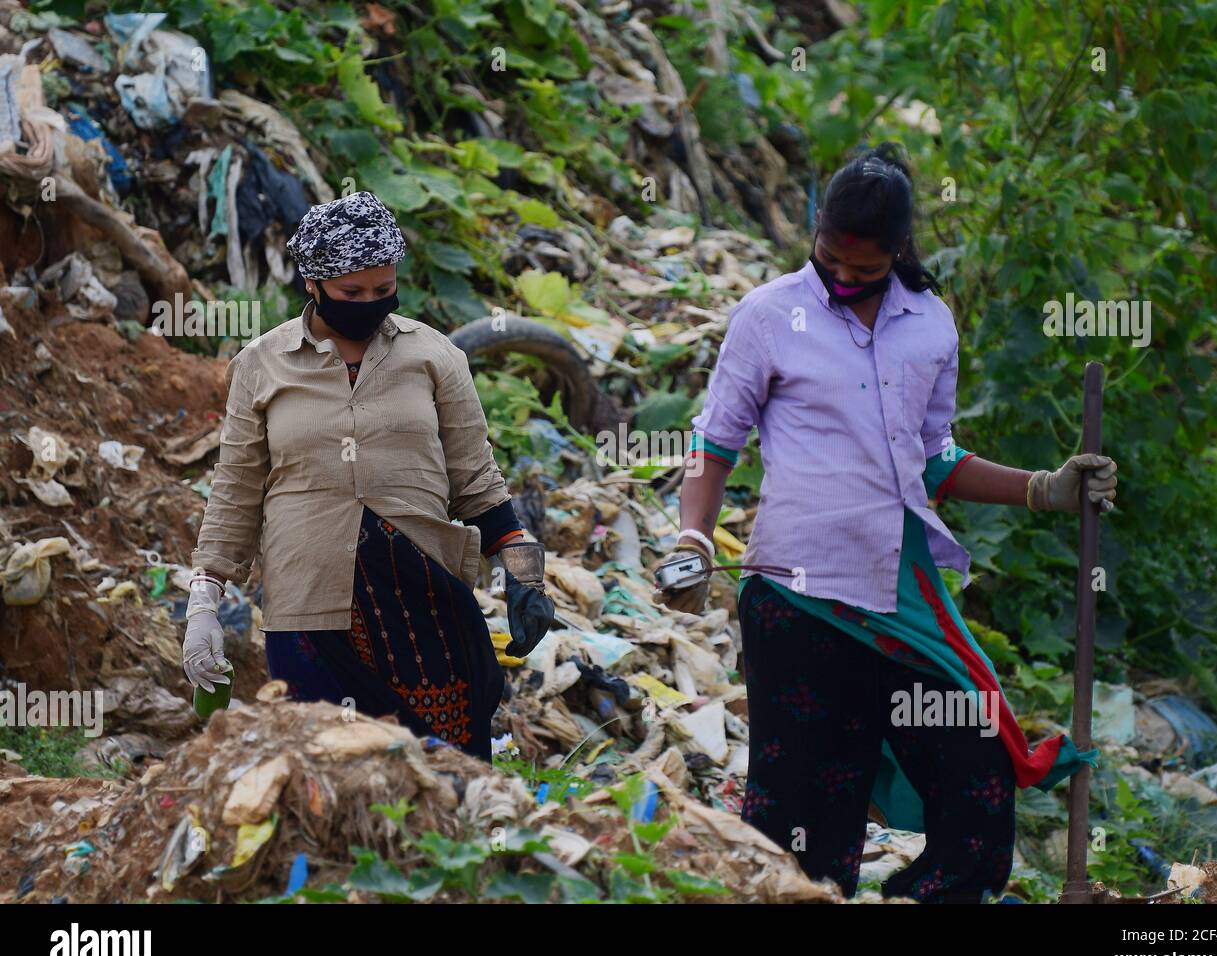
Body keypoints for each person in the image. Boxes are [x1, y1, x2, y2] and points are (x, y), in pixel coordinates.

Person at [657, 144, 1117, 902]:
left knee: (977, 770)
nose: (841, 276)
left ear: (900, 249)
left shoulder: (930, 324)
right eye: (829, 256)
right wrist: (693, 539)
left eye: (861, 268)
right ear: (816, 228)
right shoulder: (770, 315)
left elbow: (932, 457)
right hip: (797, 597)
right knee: (807, 816)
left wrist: (1044, 488)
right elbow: (715, 442)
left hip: (899, 593)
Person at [182, 191, 553, 760]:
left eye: (383, 290)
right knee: (327, 772)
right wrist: (204, 603)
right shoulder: (262, 365)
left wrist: (526, 576)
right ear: (313, 283)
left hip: (423, 597)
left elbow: (479, 484)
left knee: (443, 772)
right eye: (351, 293)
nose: (369, 303)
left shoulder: (435, 358)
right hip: (307, 605)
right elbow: (235, 492)